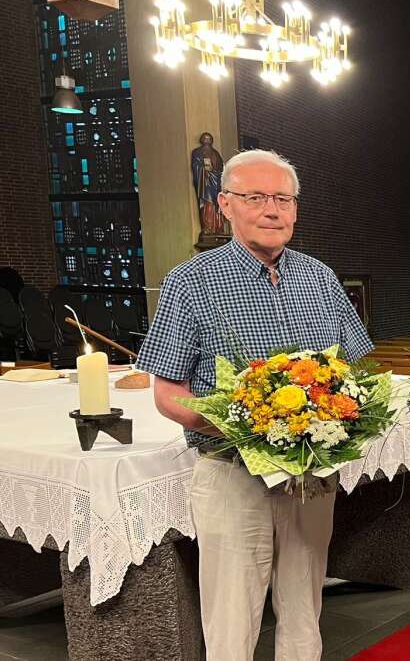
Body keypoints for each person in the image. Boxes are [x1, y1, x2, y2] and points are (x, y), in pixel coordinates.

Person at [137, 150, 372, 661]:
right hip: (231, 474)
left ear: (295, 209)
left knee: (304, 610)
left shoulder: (321, 278)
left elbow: (354, 374)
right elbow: (167, 393)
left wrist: (334, 416)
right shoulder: (190, 281)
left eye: (283, 199)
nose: (272, 210)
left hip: (310, 478)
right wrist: (247, 429)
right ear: (224, 204)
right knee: (231, 619)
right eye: (255, 197)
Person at [191, 132, 226, 238]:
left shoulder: (216, 153)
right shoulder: (197, 152)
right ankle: (208, 227)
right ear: (202, 140)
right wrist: (204, 170)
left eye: (209, 138)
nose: (207, 140)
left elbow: (221, 168)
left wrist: (214, 171)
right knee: (207, 205)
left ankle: (218, 228)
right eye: (205, 138)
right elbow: (195, 166)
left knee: (217, 204)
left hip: (216, 183)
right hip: (205, 183)